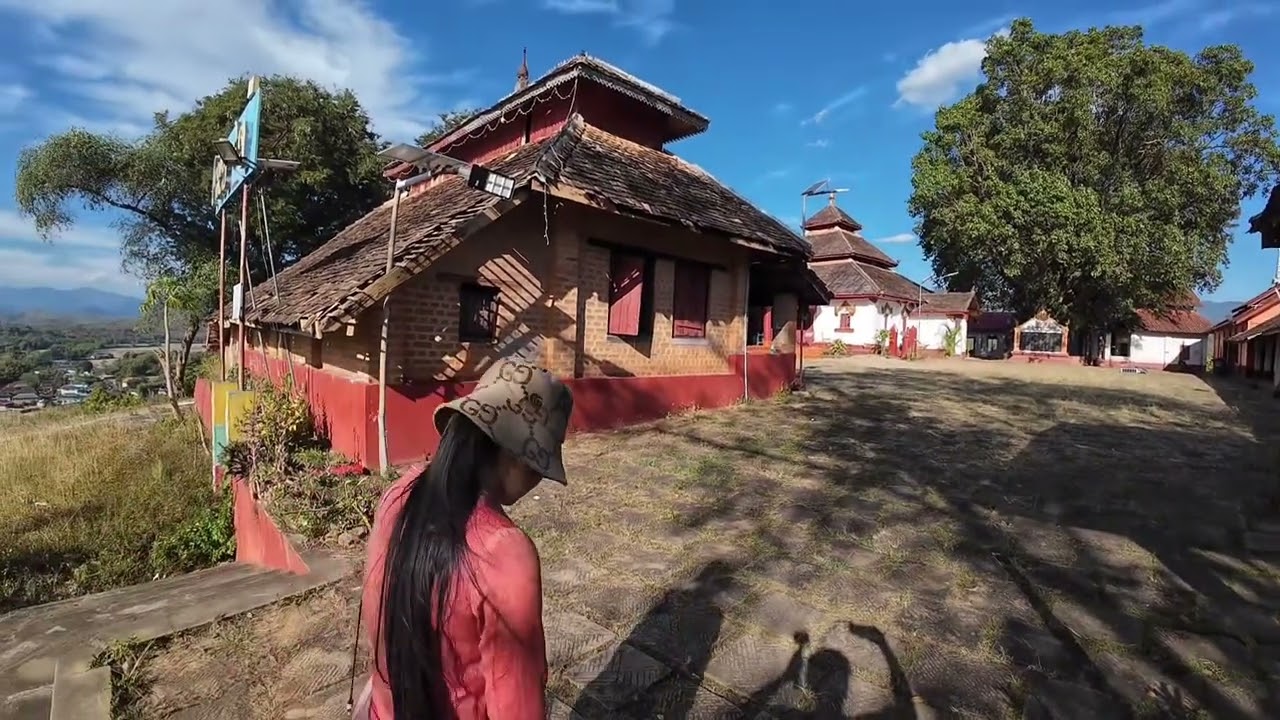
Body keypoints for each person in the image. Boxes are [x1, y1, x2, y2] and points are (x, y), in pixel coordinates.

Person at [357, 359, 574, 720]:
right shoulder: (504, 552)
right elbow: (517, 708)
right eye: (540, 464)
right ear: (513, 453)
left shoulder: (398, 495)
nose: (540, 478)